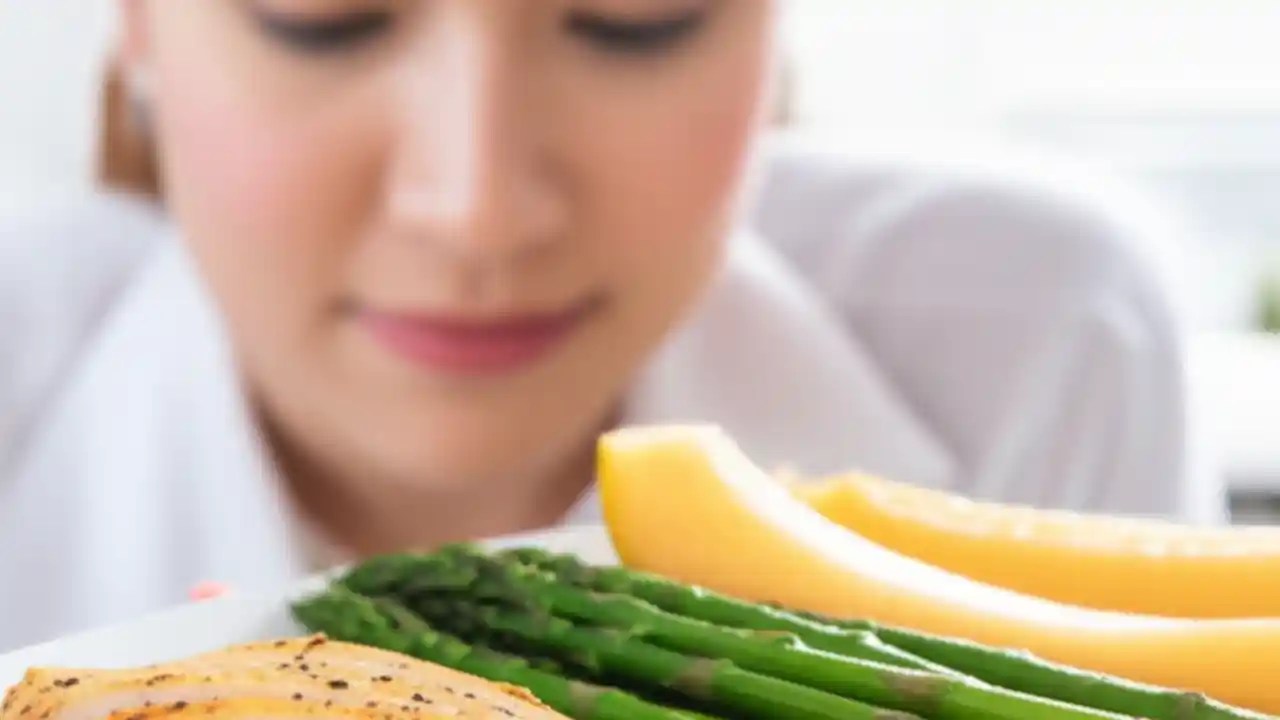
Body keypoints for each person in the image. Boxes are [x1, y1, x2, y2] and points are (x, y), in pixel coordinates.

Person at [0, 0, 1218, 651]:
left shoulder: (1045, 342)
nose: (475, 211)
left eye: (636, 18)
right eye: (324, 16)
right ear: (139, 22)